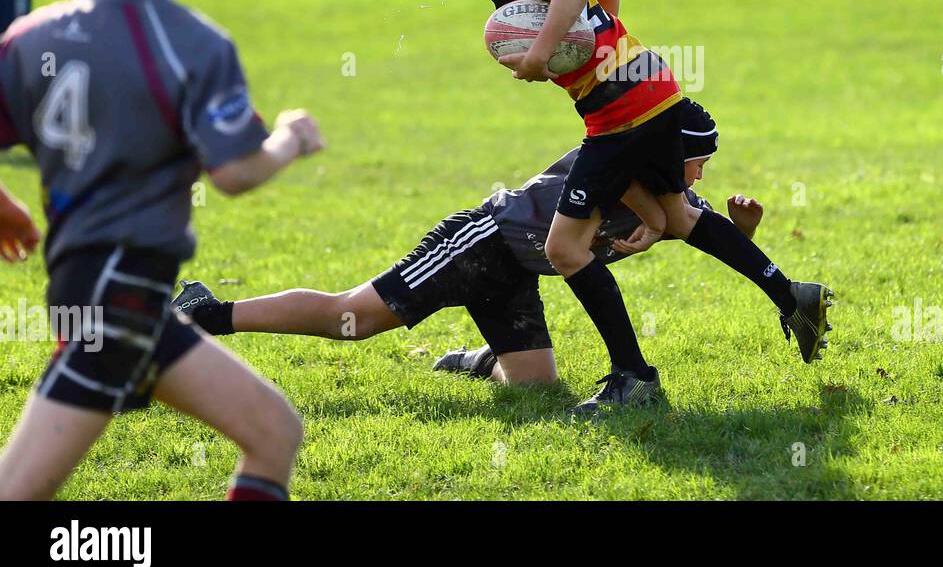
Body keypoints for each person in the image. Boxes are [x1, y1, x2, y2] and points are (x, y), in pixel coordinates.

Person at [442, 0, 833, 413]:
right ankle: (792, 296)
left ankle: (634, 376)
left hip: (618, 110)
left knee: (563, 249)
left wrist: (539, 57)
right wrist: (583, 42)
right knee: (675, 218)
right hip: (656, 87)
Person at [0, 0, 324, 500]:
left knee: (274, 431)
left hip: (117, 295)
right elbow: (233, 171)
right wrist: (291, 139)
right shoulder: (196, 43)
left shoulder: (29, 37)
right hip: (116, 300)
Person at [172, 101, 815, 415]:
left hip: (515, 272)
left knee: (533, 386)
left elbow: (700, 236)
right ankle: (209, 312)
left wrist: (747, 235)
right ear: (671, 156)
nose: (699, 176)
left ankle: (486, 356)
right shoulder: (633, 172)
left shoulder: (663, 188)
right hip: (478, 243)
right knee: (355, 318)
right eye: (697, 162)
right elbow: (674, 223)